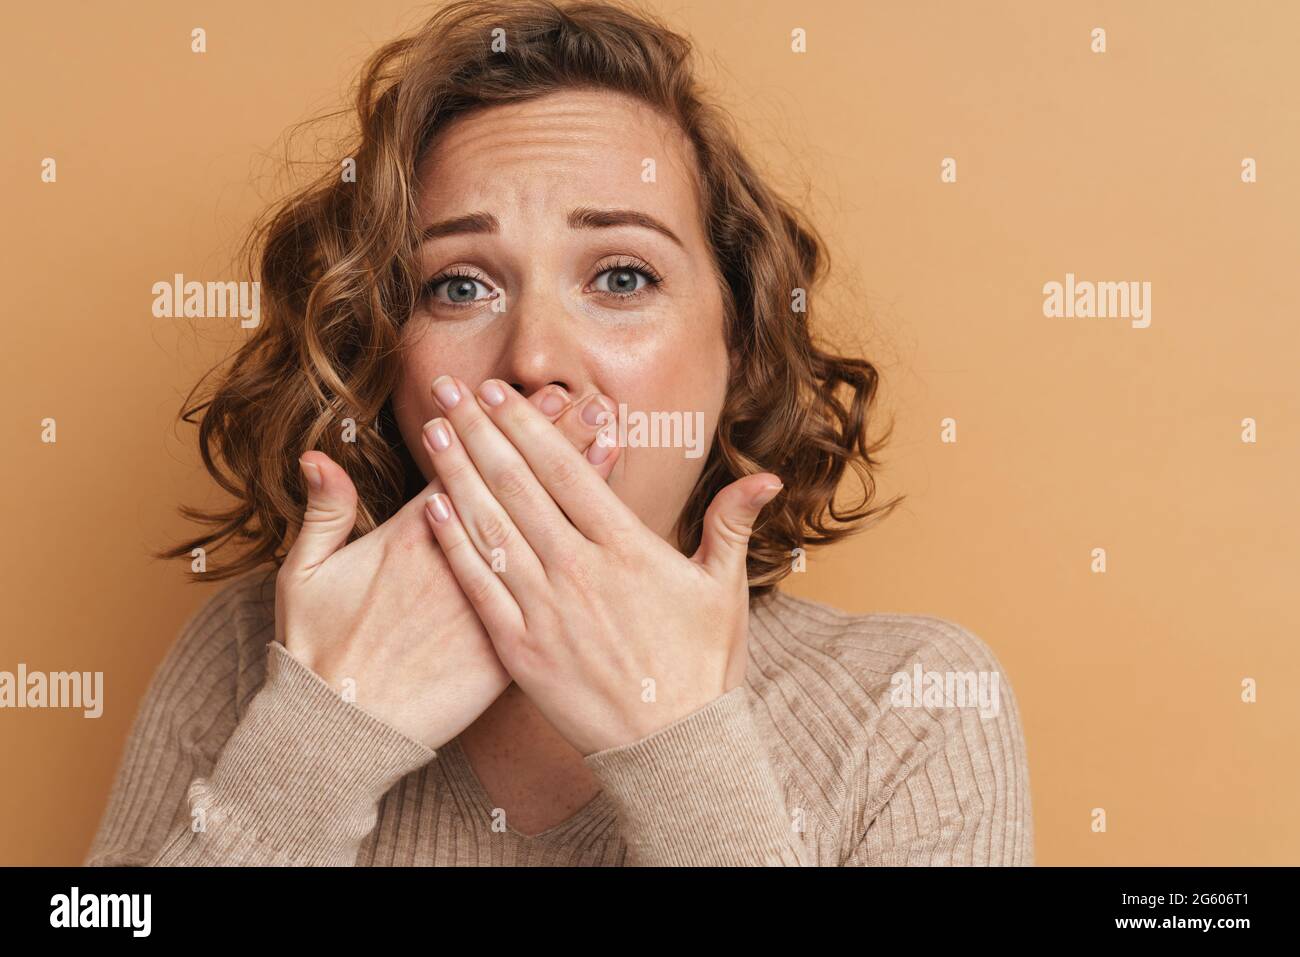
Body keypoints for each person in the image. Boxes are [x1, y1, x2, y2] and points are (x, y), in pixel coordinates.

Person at [86, 0, 1032, 866]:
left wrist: (682, 756)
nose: (534, 358)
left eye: (622, 277)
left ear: (739, 342)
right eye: (459, 285)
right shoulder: (254, 655)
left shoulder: (914, 702)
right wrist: (312, 754)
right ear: (384, 362)